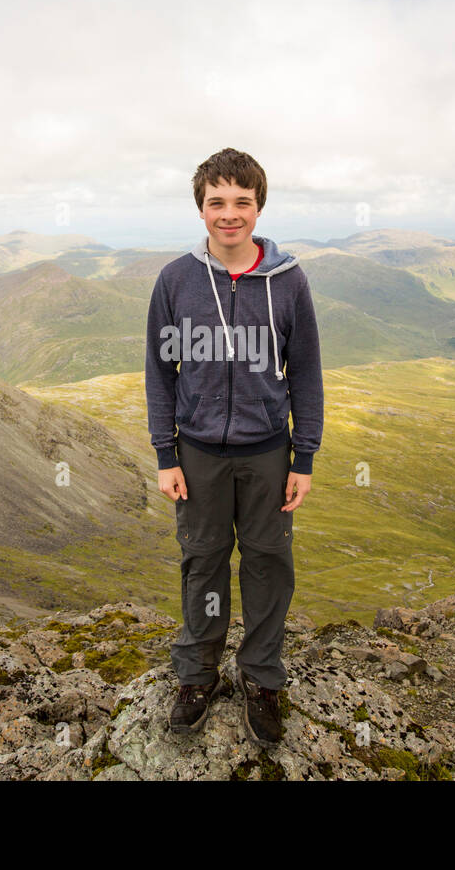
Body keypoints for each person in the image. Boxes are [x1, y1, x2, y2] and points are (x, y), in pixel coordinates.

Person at [144, 147, 324, 747]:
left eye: (241, 202)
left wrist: (305, 458)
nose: (229, 214)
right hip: (197, 451)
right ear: (201, 210)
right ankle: (197, 676)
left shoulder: (289, 281)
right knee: (203, 559)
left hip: (268, 450)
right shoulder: (176, 280)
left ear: (258, 207)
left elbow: (305, 372)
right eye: (216, 202)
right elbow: (160, 371)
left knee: (269, 562)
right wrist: (166, 454)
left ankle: (262, 679)